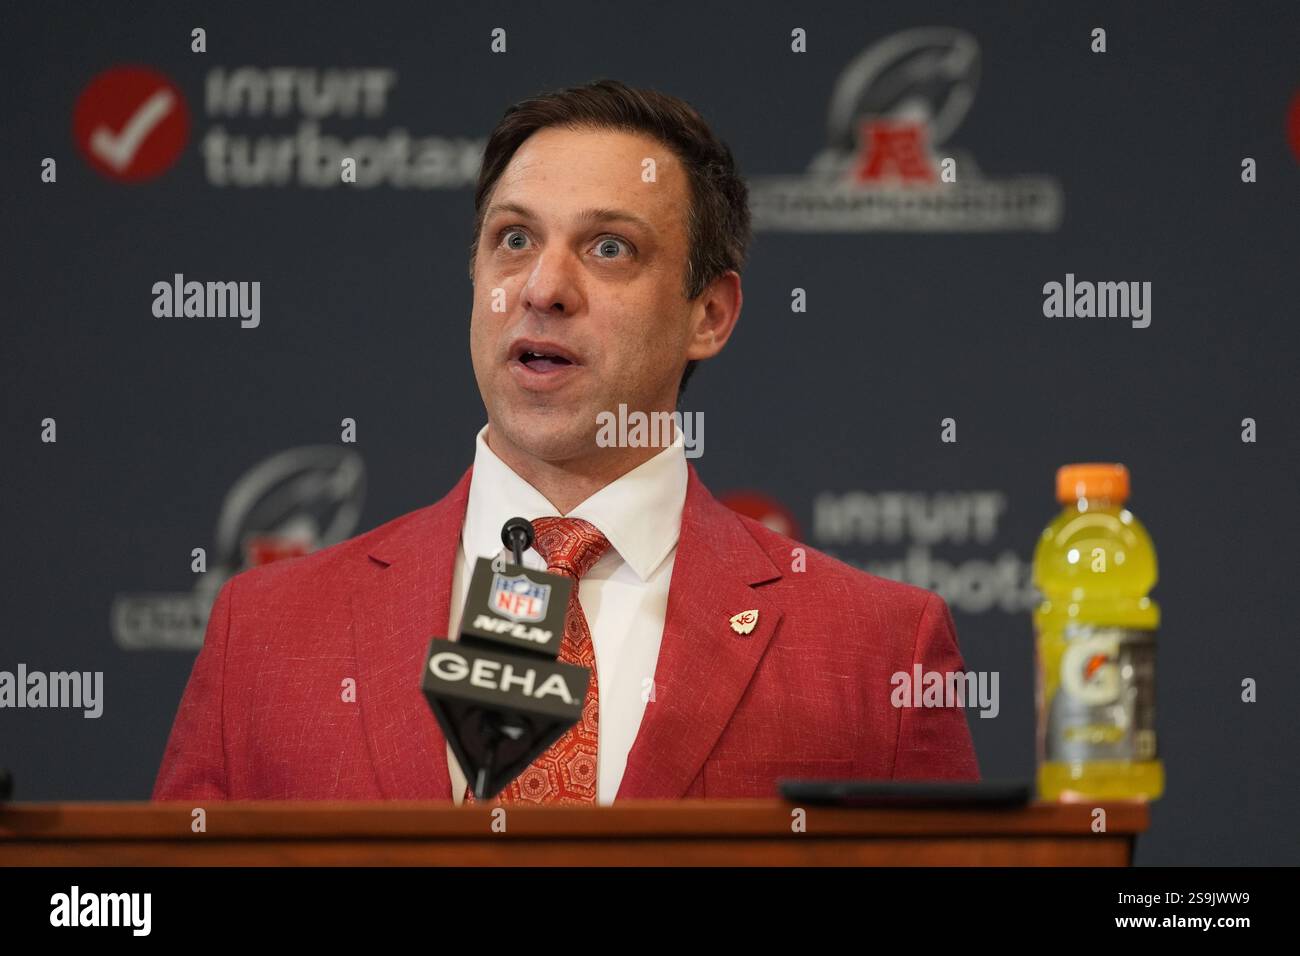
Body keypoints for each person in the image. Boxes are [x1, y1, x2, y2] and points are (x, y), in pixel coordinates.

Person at [153, 79, 978, 804]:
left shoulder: (876, 651)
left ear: (710, 314)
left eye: (608, 247)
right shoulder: (264, 633)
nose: (543, 288)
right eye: (513, 238)